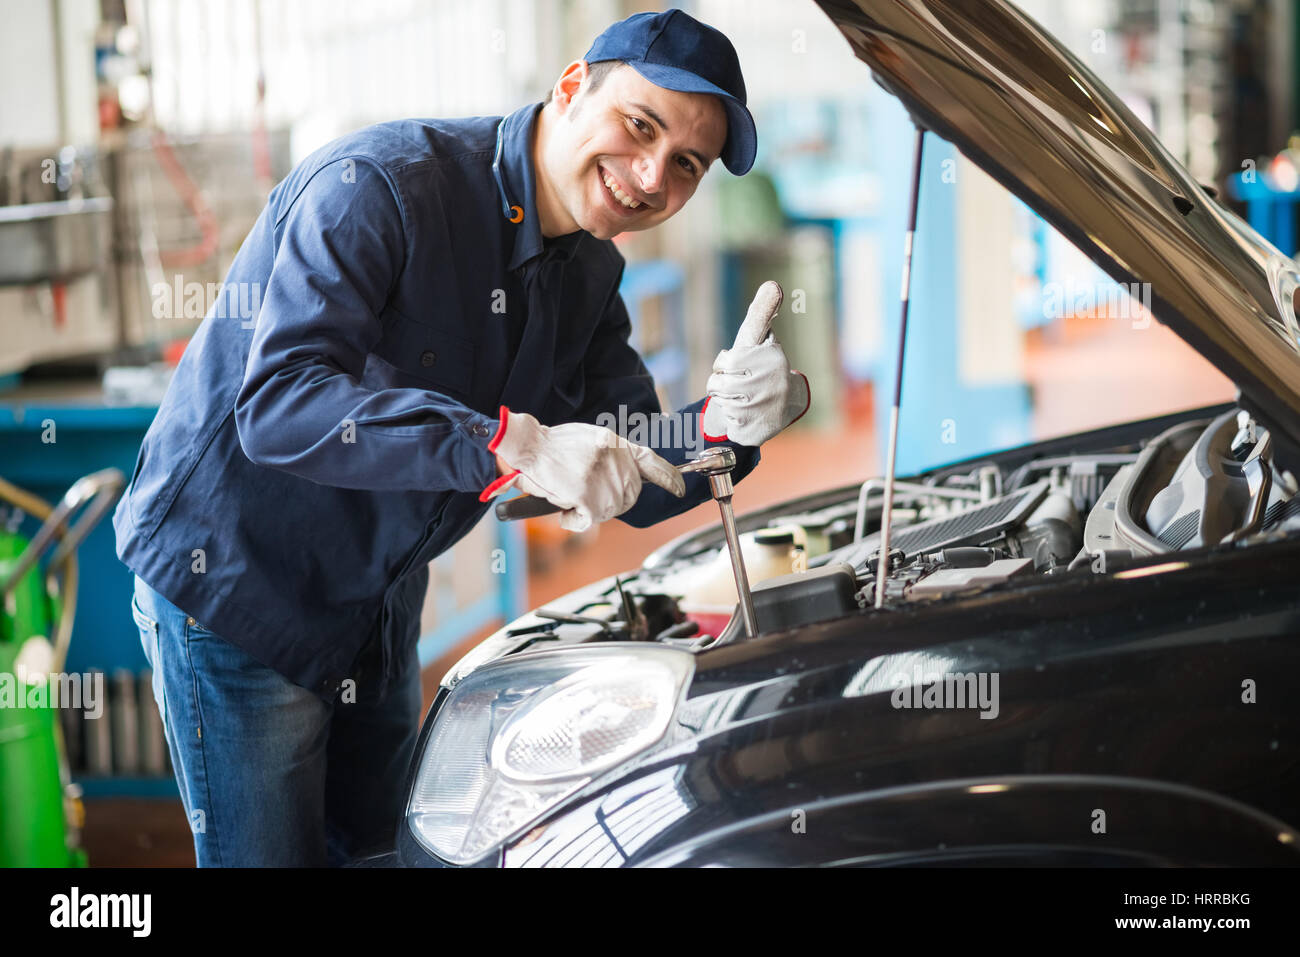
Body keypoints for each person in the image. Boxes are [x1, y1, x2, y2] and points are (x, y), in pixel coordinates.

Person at [116, 8, 809, 866]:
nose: (648, 174)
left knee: (386, 847)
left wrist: (729, 431)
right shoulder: (383, 188)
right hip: (239, 584)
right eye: (640, 125)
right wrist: (506, 442)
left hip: (376, 594)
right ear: (569, 86)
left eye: (685, 164)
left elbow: (634, 462)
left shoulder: (591, 269)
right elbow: (281, 404)